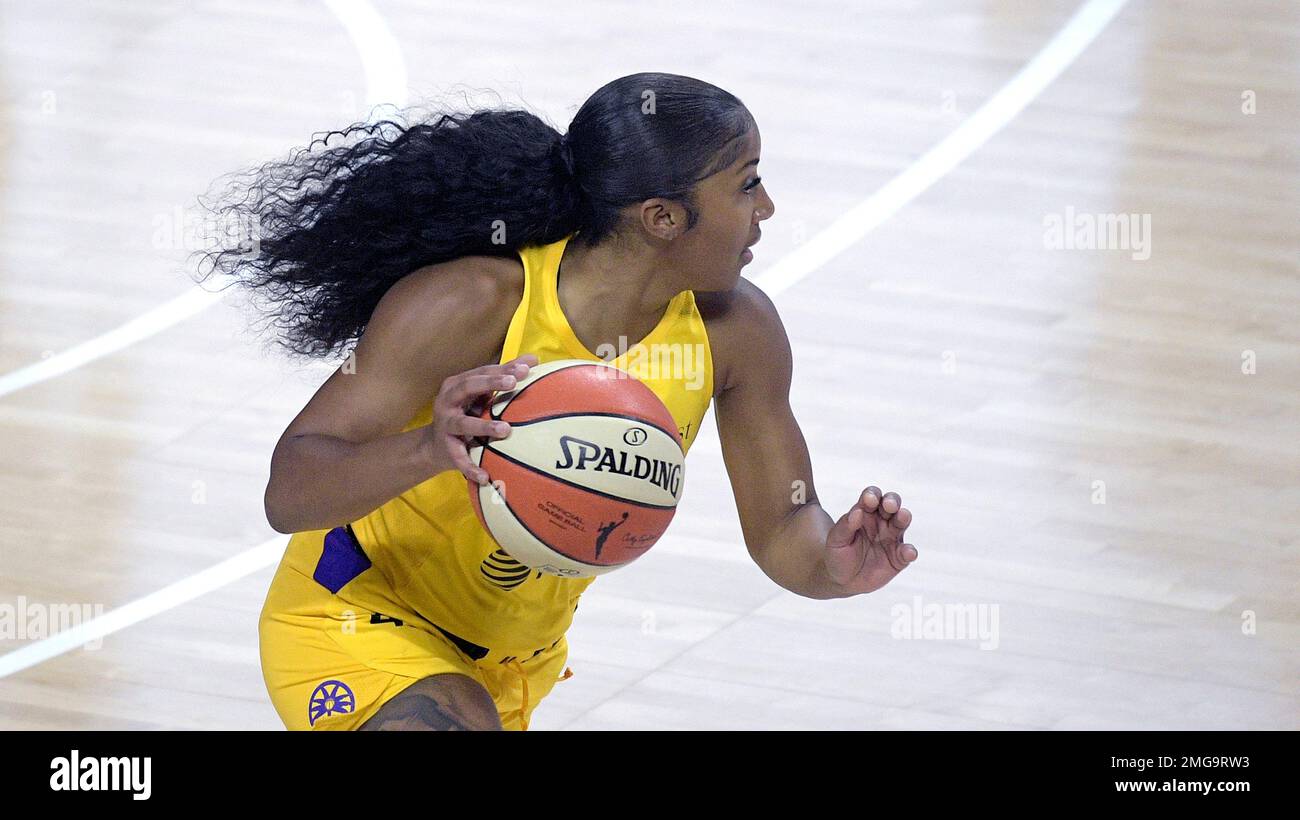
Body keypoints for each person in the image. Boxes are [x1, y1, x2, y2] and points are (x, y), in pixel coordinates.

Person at [194, 71, 918, 731]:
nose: (766, 207)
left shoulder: (738, 334)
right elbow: (288, 492)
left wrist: (834, 562)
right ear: (662, 218)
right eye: (746, 184)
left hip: (515, 666)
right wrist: (427, 447)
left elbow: (784, 524)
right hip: (353, 612)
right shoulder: (468, 305)